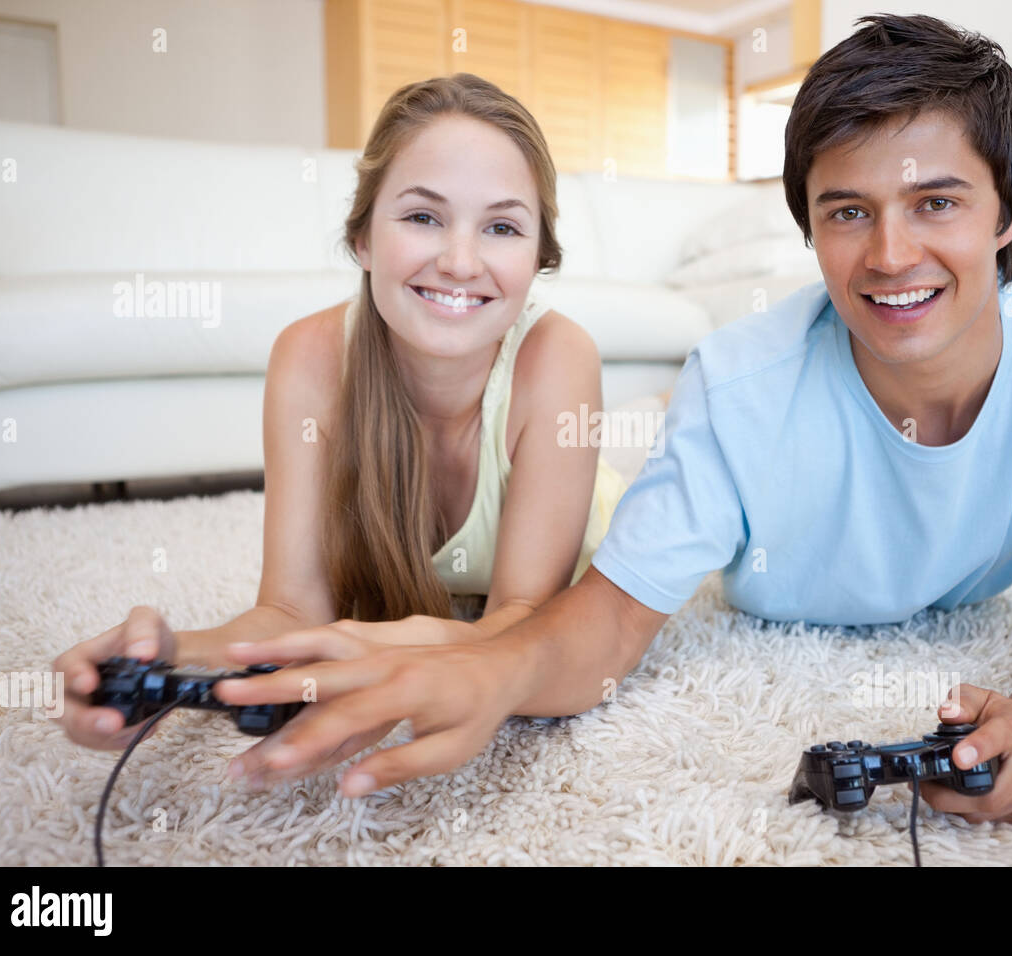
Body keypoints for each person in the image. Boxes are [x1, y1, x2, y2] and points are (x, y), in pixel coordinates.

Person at [150, 15, 1012, 826]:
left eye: (936, 201)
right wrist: (492, 669)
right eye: (848, 211)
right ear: (806, 226)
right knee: (674, 454)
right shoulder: (739, 377)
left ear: (1010, 206)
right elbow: (602, 621)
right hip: (738, 512)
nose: (890, 254)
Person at [51, 73, 630, 752]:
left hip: (591, 510)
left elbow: (520, 620)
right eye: (422, 216)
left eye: (501, 227)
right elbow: (293, 610)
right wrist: (173, 660)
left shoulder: (560, 355)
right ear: (361, 239)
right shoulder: (309, 357)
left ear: (538, 261)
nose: (460, 261)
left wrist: (385, 642)